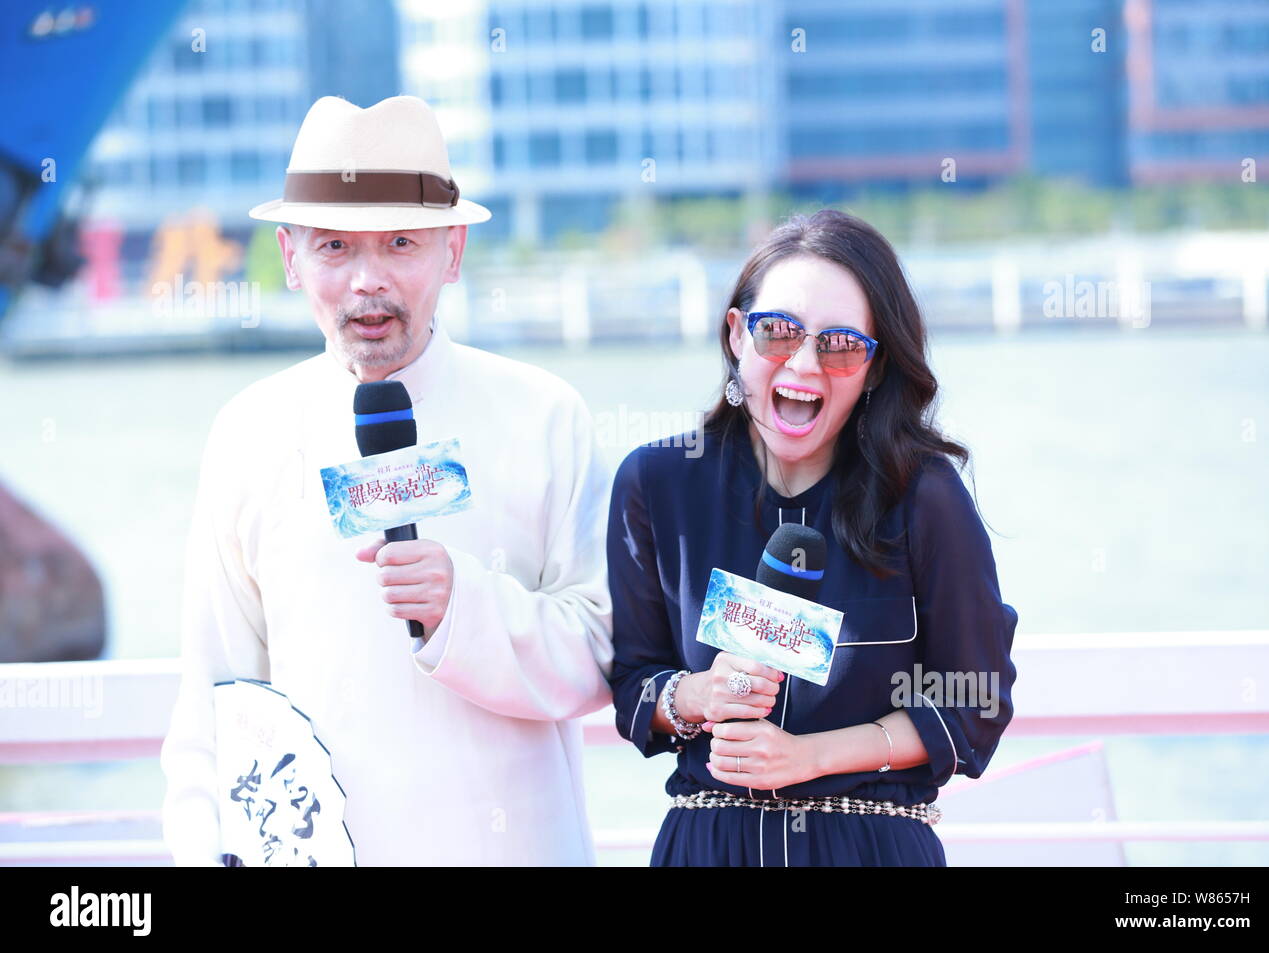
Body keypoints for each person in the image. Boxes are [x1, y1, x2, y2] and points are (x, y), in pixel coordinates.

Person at [160, 95, 614, 865]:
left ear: (453, 251)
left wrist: (461, 607)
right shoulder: (248, 433)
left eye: (401, 242)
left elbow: (605, 653)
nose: (369, 281)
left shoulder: (545, 415)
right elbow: (218, 700)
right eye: (335, 246)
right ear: (290, 256)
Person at [607, 209, 1018, 866]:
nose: (803, 363)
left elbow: (973, 700)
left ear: (876, 368)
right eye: (779, 332)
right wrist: (696, 694)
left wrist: (807, 758)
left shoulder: (925, 495)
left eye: (841, 344)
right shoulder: (656, 483)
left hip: (869, 845)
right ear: (737, 335)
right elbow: (634, 683)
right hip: (708, 845)